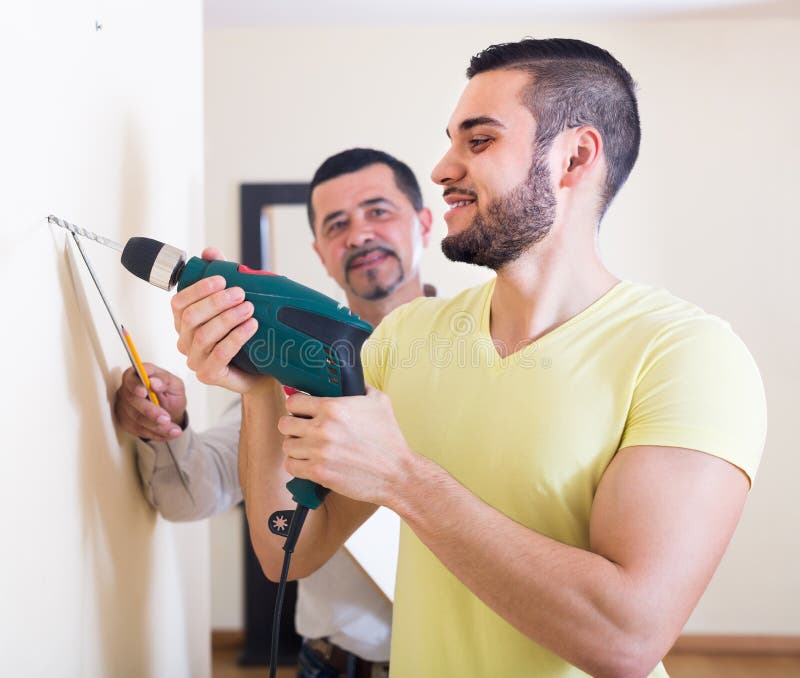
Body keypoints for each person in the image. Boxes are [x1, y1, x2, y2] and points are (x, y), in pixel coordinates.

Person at [171, 39, 767, 678]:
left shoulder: (688, 355)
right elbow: (291, 550)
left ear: (574, 156)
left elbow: (624, 639)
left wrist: (402, 478)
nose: (442, 169)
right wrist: (259, 388)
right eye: (451, 141)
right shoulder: (405, 339)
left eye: (478, 141)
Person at [114, 148, 434, 677]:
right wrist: (169, 425)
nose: (357, 234)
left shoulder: (478, 359)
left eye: (378, 211)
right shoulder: (290, 364)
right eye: (337, 223)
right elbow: (191, 494)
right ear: (320, 251)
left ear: (423, 223)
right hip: (330, 664)